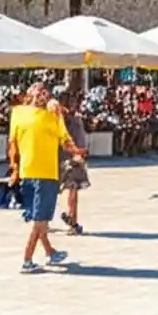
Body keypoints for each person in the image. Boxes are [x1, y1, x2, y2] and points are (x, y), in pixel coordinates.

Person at [7, 83, 82, 274]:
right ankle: (30, 260)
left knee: (41, 220)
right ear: (28, 93)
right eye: (37, 89)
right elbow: (13, 143)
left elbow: (64, 139)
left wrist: (76, 153)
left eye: (45, 91)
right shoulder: (18, 112)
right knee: (38, 218)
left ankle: (42, 254)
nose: (41, 92)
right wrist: (14, 169)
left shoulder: (54, 115)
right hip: (27, 173)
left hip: (47, 173)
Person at [52, 89, 90, 235]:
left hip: (65, 157)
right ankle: (71, 221)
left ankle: (65, 219)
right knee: (70, 189)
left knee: (64, 189)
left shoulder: (61, 118)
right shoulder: (69, 119)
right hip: (71, 157)